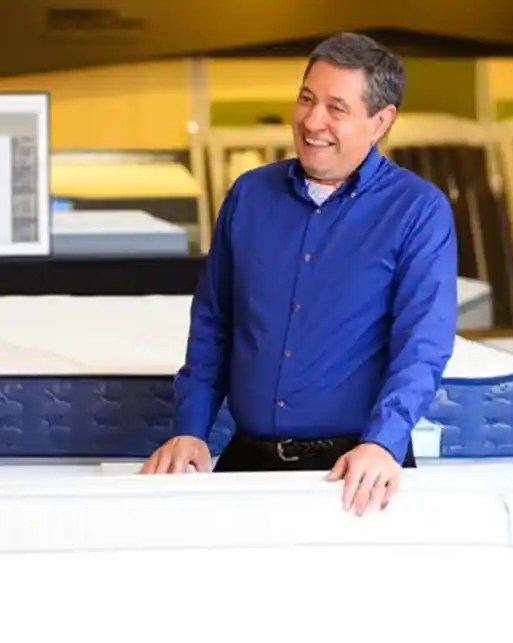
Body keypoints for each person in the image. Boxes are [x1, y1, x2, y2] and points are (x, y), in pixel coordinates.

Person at [141, 32, 458, 517]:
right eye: (306, 99)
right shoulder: (249, 196)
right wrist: (190, 428)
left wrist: (385, 442)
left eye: (336, 108)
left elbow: (422, 345)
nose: (312, 122)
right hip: (246, 463)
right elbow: (213, 323)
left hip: (356, 472)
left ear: (381, 121)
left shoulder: (418, 211)